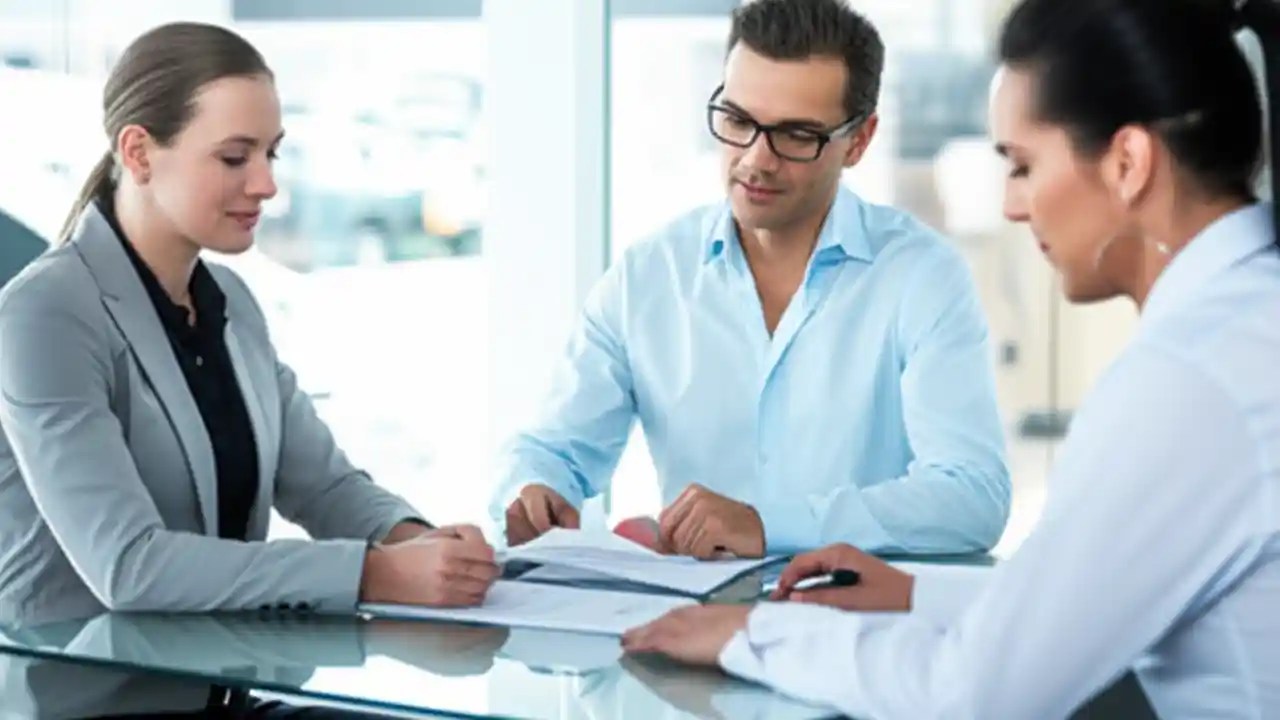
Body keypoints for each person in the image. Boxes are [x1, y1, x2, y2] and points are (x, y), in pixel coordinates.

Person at [622, 0, 1280, 717]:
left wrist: (754, 633)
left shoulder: (1186, 385)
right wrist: (919, 592)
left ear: (1128, 162)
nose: (1012, 206)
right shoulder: (1244, 331)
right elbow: (1091, 592)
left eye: (1023, 166)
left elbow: (978, 693)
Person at [0, 22, 498, 718]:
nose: (266, 184)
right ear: (139, 152)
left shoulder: (230, 301)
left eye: (271, 153)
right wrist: (378, 575)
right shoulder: (43, 314)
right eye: (235, 157)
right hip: (93, 705)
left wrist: (418, 543)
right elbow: (130, 567)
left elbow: (321, 485)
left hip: (224, 695)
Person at [494, 0, 1010, 559]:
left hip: (851, 629)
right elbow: (553, 449)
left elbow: (972, 496)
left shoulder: (921, 278)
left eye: (795, 135)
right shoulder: (648, 277)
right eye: (738, 121)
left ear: (858, 141)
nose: (755, 160)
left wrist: (767, 525)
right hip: (687, 627)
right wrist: (534, 488)